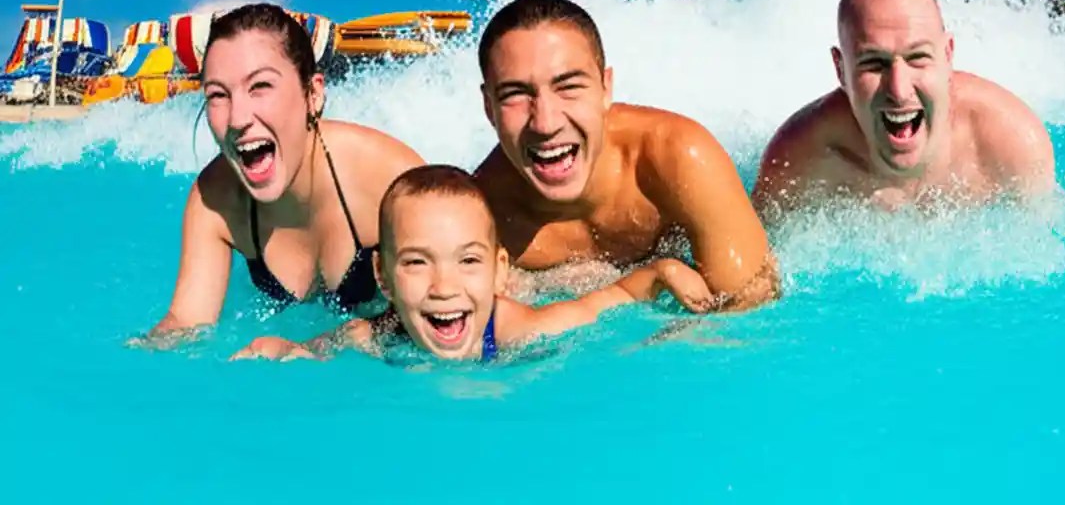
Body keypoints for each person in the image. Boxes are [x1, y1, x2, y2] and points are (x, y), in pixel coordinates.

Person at [470, 0, 779, 312]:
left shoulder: (676, 157)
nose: (546, 122)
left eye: (568, 87)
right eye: (515, 95)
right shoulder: (480, 217)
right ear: (488, 107)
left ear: (606, 89)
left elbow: (753, 298)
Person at [138, 3, 425, 345]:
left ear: (313, 94)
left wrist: (335, 342)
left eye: (260, 86)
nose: (237, 119)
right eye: (218, 95)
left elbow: (458, 300)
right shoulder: (214, 200)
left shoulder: (389, 180)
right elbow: (186, 322)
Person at [232, 165, 712, 362]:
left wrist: (661, 273)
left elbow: (610, 300)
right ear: (383, 277)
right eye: (418, 263)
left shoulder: (519, 329)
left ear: (500, 270)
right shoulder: (374, 335)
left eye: (468, 261)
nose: (445, 287)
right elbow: (311, 351)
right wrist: (279, 349)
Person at [752, 0, 1055, 218]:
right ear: (840, 69)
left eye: (917, 58)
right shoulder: (798, 159)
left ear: (947, 56)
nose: (898, 90)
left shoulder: (1012, 143)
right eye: (874, 63)